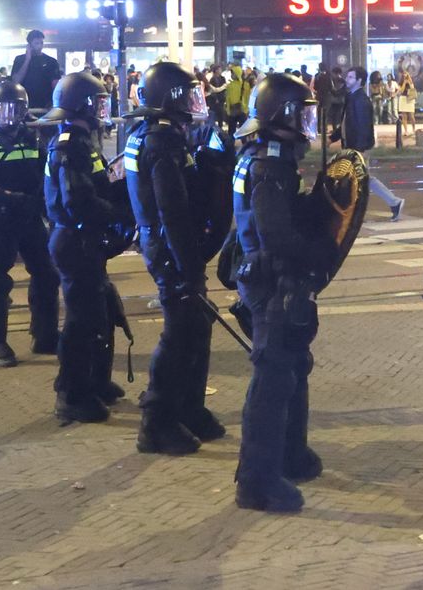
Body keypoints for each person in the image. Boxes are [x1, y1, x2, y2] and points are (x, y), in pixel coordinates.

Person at [124, 62, 228, 455]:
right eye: (187, 96)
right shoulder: (161, 143)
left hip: (166, 244)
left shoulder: (149, 134)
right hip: (170, 247)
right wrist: (188, 267)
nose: (193, 102)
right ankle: (157, 422)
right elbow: (172, 211)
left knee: (197, 325)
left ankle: (189, 409)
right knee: (179, 332)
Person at [231, 73, 323, 512]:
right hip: (272, 281)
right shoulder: (270, 166)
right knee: (272, 379)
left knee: (290, 368)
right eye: (301, 114)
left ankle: (290, 456)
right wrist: (316, 250)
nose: (307, 123)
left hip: (264, 275)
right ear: (282, 115)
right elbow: (277, 235)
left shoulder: (259, 155)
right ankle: (257, 482)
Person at [43, 71, 127, 424]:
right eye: (98, 103)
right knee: (81, 321)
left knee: (101, 312)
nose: (102, 110)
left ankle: (96, 381)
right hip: (74, 240)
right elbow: (78, 200)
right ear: (82, 105)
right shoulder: (69, 146)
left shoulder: (82, 141)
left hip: (84, 239)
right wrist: (117, 213)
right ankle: (72, 395)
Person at [0, 81, 59, 368]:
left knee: (47, 274)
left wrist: (41, 201)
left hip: (29, 216)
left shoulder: (33, 137)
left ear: (21, 112)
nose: (3, 116)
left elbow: (44, 173)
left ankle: (45, 335)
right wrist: (9, 197)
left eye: (9, 110)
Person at [334, 66, 404, 221]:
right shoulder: (352, 97)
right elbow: (347, 123)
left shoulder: (361, 101)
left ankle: (355, 213)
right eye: (348, 76)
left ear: (359, 80)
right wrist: (334, 137)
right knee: (362, 179)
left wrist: (360, 150)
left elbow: (364, 127)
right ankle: (393, 203)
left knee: (360, 180)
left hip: (358, 148)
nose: (347, 79)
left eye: (351, 77)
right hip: (353, 147)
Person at [11, 30, 62, 110]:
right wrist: (27, 59)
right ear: (29, 45)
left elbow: (55, 83)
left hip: (45, 104)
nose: (40, 46)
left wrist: (55, 102)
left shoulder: (51, 61)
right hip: (24, 103)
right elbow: (16, 81)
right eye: (36, 43)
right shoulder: (19, 59)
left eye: (41, 43)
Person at [398, 70, 418, 135]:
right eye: (403, 74)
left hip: (410, 99)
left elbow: (412, 89)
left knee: (411, 116)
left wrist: (409, 82)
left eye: (406, 74)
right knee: (404, 116)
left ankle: (413, 129)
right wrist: (404, 83)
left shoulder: (411, 82)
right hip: (403, 99)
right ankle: (406, 130)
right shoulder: (400, 83)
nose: (405, 75)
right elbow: (401, 91)